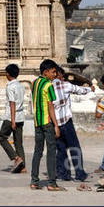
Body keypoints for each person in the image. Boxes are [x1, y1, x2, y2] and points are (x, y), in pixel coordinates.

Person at [52, 65, 93, 188]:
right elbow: (80, 90)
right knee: (74, 147)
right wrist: (91, 88)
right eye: (62, 75)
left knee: (61, 149)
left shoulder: (47, 87)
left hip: (55, 123)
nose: (63, 78)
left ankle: (63, 173)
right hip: (66, 121)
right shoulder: (65, 85)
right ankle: (79, 173)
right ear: (58, 74)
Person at [29, 59, 64, 191]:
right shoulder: (48, 85)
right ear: (46, 72)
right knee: (51, 152)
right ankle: (52, 183)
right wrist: (56, 125)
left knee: (37, 151)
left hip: (37, 122)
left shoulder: (34, 83)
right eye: (53, 72)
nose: (55, 75)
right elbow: (50, 107)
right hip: (47, 122)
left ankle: (34, 181)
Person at [0, 63, 26, 174]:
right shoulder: (20, 86)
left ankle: (16, 158)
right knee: (18, 142)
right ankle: (23, 166)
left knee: (2, 137)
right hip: (20, 116)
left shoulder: (10, 86)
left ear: (8, 74)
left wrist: (12, 120)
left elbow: (12, 104)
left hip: (11, 116)